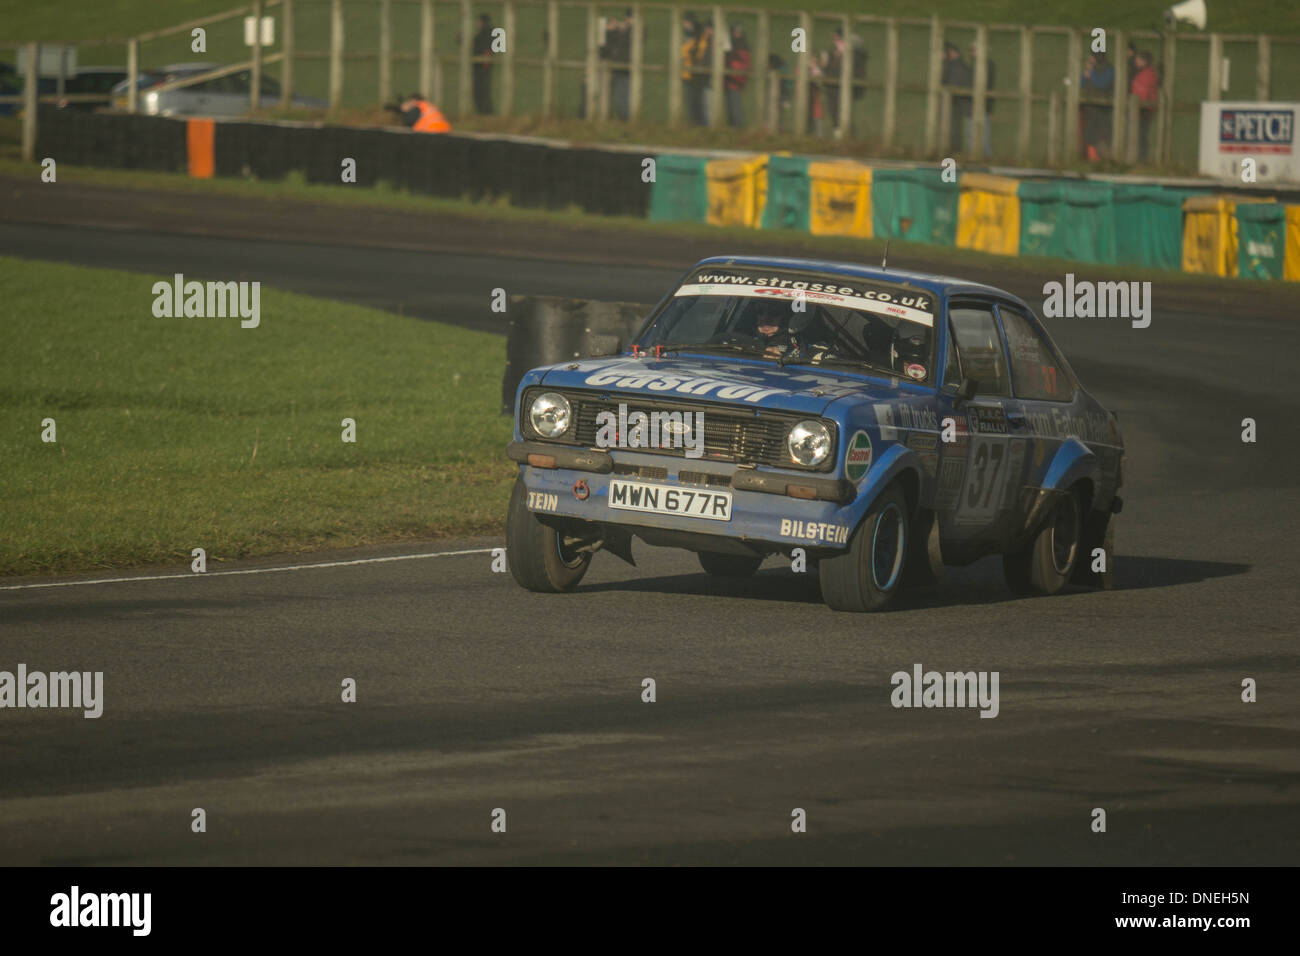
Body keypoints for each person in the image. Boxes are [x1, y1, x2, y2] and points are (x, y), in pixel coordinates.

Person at [1080, 51, 1114, 160]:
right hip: (1090, 106)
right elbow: (1081, 83)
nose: (1090, 59)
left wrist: (1092, 73)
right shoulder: (1091, 69)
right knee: (1089, 134)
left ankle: (1105, 158)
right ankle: (1092, 158)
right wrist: (1085, 75)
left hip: (1103, 107)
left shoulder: (1109, 69)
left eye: (1092, 57)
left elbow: (1101, 84)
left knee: (1102, 134)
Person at [599, 10, 632, 120]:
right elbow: (604, 49)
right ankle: (605, 116)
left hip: (624, 67)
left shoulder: (632, 31)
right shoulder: (617, 32)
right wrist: (610, 31)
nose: (627, 21)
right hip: (610, 66)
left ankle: (624, 118)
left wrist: (625, 30)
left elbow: (629, 43)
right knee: (605, 94)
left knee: (623, 94)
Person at [964, 41, 994, 158]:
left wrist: (990, 108)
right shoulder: (973, 65)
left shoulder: (987, 65)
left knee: (984, 134)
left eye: (974, 50)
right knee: (971, 133)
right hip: (972, 105)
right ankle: (975, 156)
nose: (972, 52)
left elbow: (989, 86)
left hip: (982, 106)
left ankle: (985, 158)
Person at [941, 42, 971, 152]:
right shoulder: (954, 65)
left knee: (954, 128)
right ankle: (952, 149)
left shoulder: (957, 67)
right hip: (954, 102)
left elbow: (952, 84)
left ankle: (954, 150)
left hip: (955, 102)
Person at [1130, 50, 1159, 161]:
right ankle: (1140, 157)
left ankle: (1142, 158)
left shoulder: (1147, 74)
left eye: (1138, 59)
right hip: (1141, 108)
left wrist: (1138, 104)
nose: (1136, 62)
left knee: (1141, 134)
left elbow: (1143, 93)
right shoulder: (1143, 73)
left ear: (1144, 61)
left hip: (1144, 109)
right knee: (1139, 133)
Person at [724, 24, 750, 128]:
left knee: (735, 107)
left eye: (739, 32)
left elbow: (743, 65)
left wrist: (731, 65)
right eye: (735, 32)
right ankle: (733, 127)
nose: (737, 34)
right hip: (728, 81)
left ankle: (738, 127)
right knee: (730, 107)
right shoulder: (730, 47)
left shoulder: (743, 47)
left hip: (736, 81)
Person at [472, 13, 494, 115]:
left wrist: (485, 64)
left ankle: (486, 113)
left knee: (481, 91)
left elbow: (486, 51)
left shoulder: (485, 35)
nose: (477, 24)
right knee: (481, 91)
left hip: (482, 67)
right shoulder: (487, 34)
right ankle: (484, 112)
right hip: (481, 66)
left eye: (478, 21)